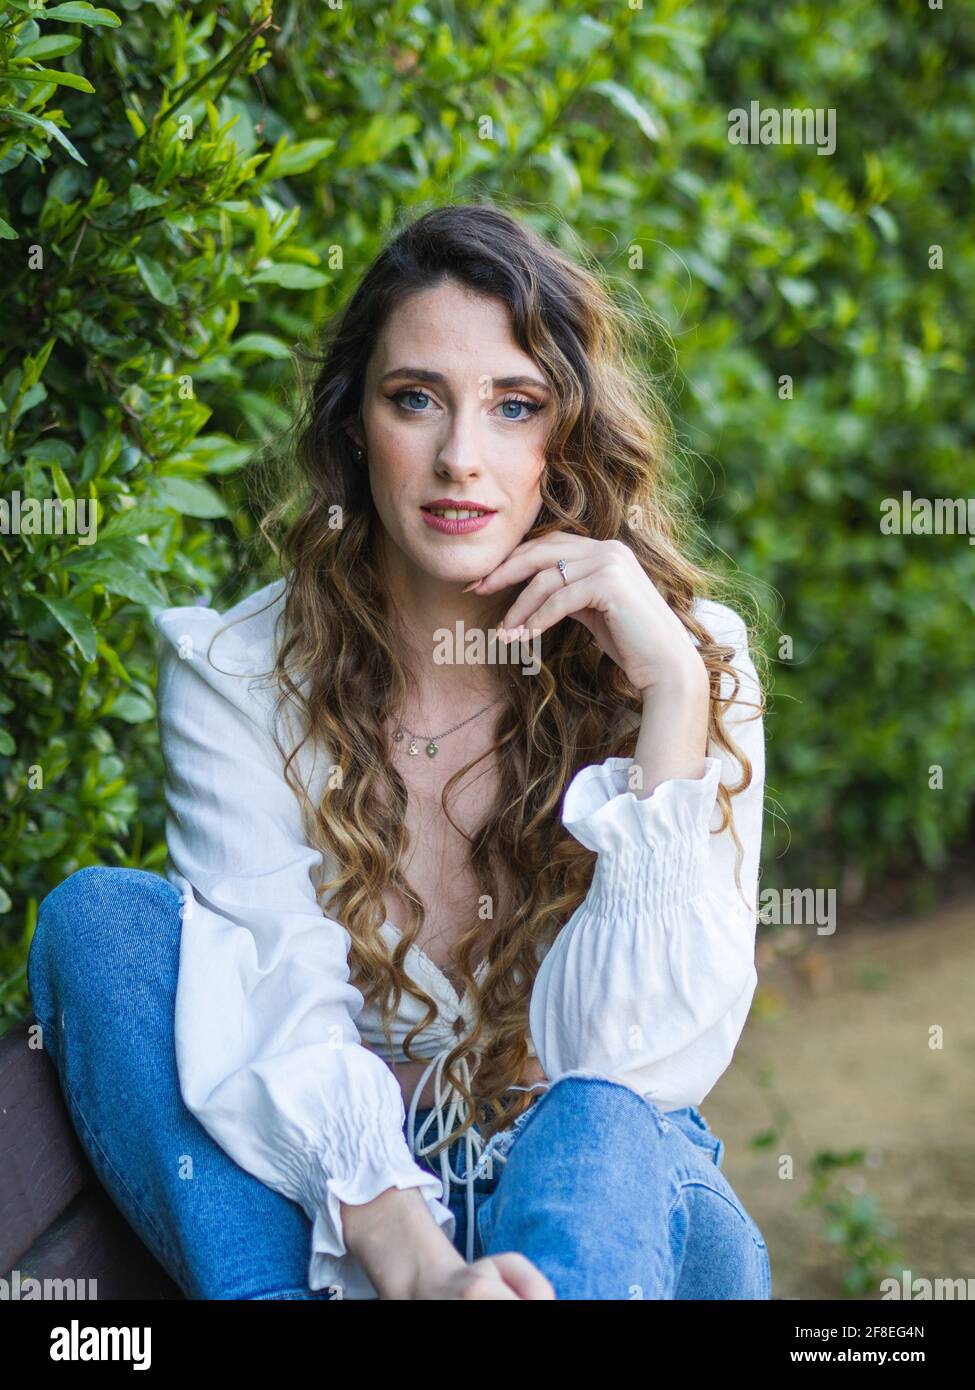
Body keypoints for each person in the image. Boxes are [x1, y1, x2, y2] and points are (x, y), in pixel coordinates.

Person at [28, 202, 771, 1301]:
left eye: (514, 406)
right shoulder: (239, 672)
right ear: (354, 424)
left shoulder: (689, 659)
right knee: (101, 925)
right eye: (415, 398)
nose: (460, 457)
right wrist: (419, 1264)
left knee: (600, 1113)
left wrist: (667, 697)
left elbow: (640, 1062)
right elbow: (275, 1001)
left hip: (607, 1226)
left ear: (564, 438)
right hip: (342, 1222)